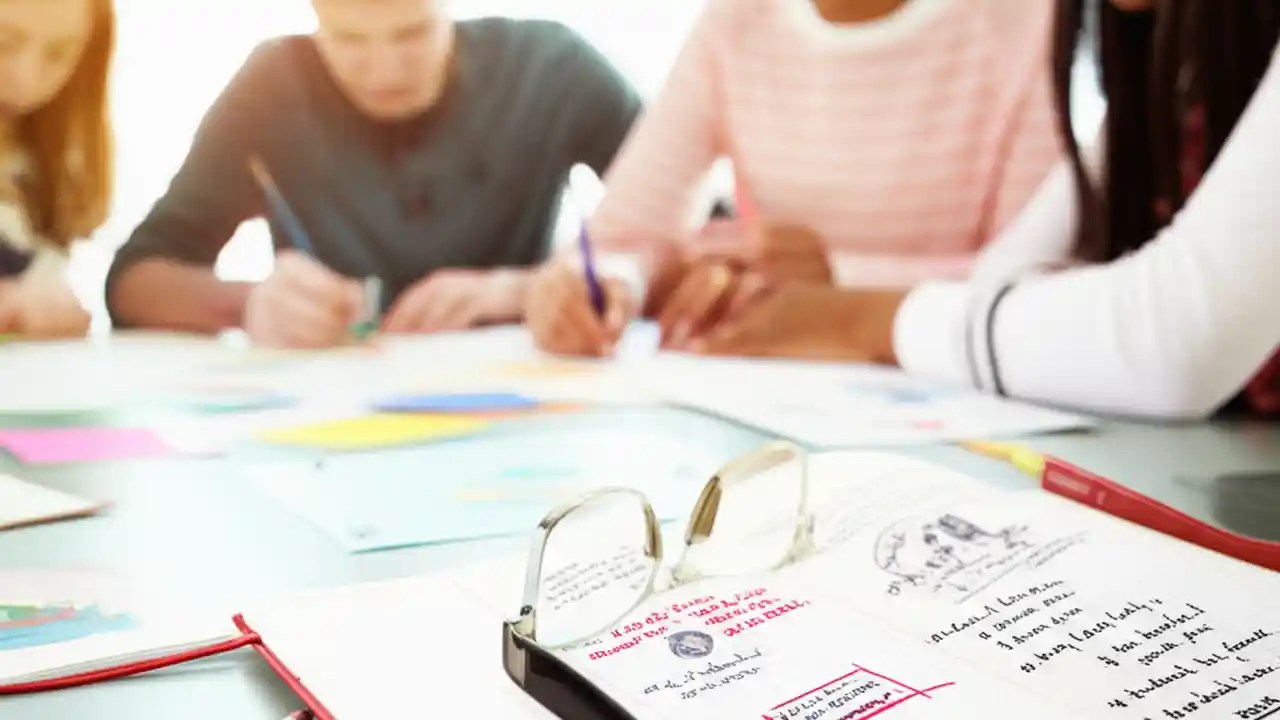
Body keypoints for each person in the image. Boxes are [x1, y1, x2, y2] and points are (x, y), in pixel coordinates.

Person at [676, 0, 1280, 420]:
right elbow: (1005, 275)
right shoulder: (1175, 72)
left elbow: (1175, 345)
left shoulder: (1008, 26)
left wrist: (848, 318)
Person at [527, 0, 1063, 355]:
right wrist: (608, 286)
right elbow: (623, 237)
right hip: (774, 396)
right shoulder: (737, 21)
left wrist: (835, 282)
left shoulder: (1026, 23)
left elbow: (1041, 283)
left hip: (955, 393)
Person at [106, 0, 640, 348]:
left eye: (412, 34)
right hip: (330, 417)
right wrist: (249, 305)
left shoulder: (552, 69)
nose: (384, 70)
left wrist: (524, 291)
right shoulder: (271, 88)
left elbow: (681, 239)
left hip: (529, 402)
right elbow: (132, 282)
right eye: (349, 39)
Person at [0, 0, 112, 338]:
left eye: (60, 54)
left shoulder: (38, 168)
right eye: (3, 44)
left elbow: (54, 295)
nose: (26, 81)